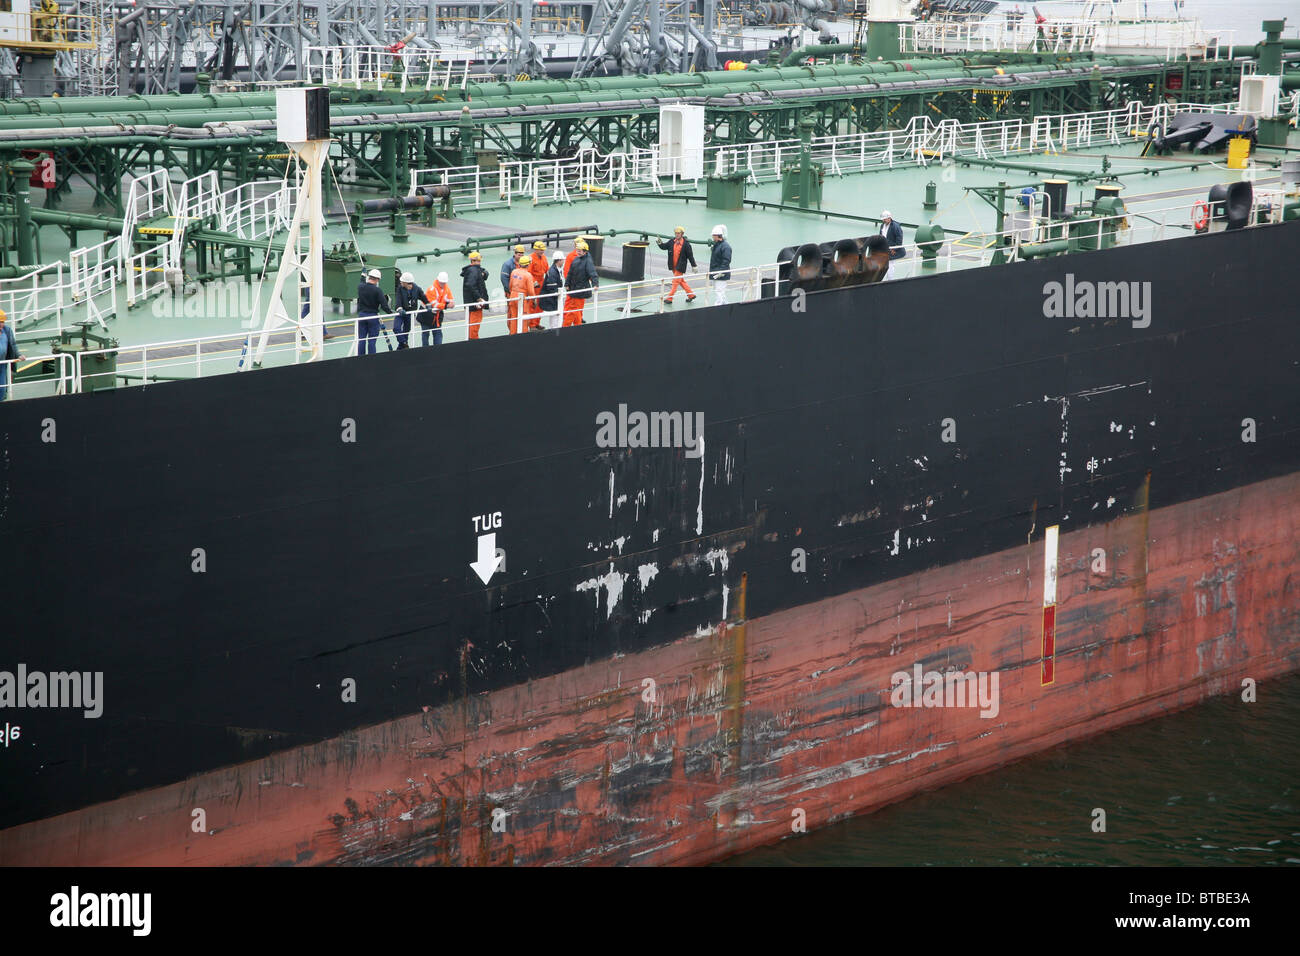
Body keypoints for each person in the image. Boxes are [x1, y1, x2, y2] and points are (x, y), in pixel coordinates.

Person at [657, 226, 697, 305]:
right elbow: (664, 247)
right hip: (673, 266)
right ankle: (691, 295)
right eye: (676, 233)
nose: (677, 235)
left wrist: (694, 265)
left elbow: (690, 256)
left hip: (680, 267)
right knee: (681, 281)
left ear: (682, 234)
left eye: (678, 233)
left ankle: (670, 298)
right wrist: (660, 243)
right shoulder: (672, 241)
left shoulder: (686, 245)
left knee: (675, 282)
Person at [563, 239, 598, 326]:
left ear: (585, 251)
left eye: (579, 251)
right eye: (577, 250)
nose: (577, 252)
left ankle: (565, 327)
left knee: (573, 310)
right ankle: (577, 325)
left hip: (580, 289)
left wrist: (595, 284)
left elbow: (593, 273)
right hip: (574, 288)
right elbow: (570, 272)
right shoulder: (576, 259)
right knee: (576, 310)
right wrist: (567, 284)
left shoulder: (587, 261)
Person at [355, 268, 389, 356]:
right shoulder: (378, 290)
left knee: (361, 339)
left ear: (369, 277)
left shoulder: (361, 287)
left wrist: (363, 274)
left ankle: (360, 358)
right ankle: (371, 358)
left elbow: (361, 281)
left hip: (362, 316)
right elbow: (384, 306)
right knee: (372, 340)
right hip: (373, 317)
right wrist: (391, 312)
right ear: (377, 279)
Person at [461, 251, 490, 340]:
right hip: (475, 303)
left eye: (479, 261)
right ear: (473, 261)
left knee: (471, 323)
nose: (479, 263)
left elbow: (483, 274)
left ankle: (471, 338)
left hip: (471, 302)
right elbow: (470, 285)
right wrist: (478, 298)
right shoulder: (474, 271)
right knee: (475, 323)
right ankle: (473, 340)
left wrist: (484, 273)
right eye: (477, 261)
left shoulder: (472, 270)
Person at [392, 271, 423, 349]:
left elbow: (423, 297)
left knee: (406, 331)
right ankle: (404, 343)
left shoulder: (416, 289)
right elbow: (398, 299)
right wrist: (399, 309)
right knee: (396, 328)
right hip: (401, 313)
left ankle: (402, 348)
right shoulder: (400, 288)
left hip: (410, 313)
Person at [423, 272, 454, 346]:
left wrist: (451, 303)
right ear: (438, 280)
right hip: (426, 315)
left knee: (438, 333)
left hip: (437, 316)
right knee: (425, 334)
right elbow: (434, 304)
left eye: (444, 282)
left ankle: (438, 350)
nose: (443, 284)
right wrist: (446, 306)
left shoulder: (446, 289)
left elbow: (450, 299)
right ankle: (424, 351)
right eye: (441, 282)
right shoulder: (432, 289)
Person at [507, 254, 535, 334]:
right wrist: (534, 300)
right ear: (528, 264)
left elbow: (510, 286)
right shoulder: (528, 275)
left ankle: (513, 334)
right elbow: (531, 291)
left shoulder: (514, 272)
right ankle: (523, 335)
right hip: (522, 298)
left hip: (513, 295)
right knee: (524, 318)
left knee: (514, 317)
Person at [0, 309, 24, 402]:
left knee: (2, 388)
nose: (1, 324)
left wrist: (19, 355)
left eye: (2, 322)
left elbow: (13, 345)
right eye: (0, 322)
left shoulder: (7, 331)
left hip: (3, 364)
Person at [527, 240, 549, 330]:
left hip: (542, 283)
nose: (542, 251)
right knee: (533, 305)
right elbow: (528, 273)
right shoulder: (530, 259)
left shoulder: (544, 258)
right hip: (534, 285)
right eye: (541, 250)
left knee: (540, 305)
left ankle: (536, 323)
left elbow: (547, 269)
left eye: (543, 250)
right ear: (535, 249)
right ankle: (531, 325)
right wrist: (534, 281)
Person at [540, 250, 565, 330]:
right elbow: (552, 288)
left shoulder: (557, 270)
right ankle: (554, 331)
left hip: (554, 299)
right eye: (563, 260)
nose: (564, 262)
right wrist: (558, 297)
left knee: (555, 317)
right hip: (553, 299)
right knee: (555, 318)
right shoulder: (553, 272)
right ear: (559, 260)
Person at [708, 224, 732, 304]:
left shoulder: (725, 247)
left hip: (721, 274)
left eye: (713, 235)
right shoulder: (718, 245)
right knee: (719, 291)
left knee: (719, 291)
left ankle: (718, 307)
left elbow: (726, 260)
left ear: (717, 236)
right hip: (716, 273)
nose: (712, 237)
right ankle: (725, 305)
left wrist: (721, 272)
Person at [881, 210, 905, 280]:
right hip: (885, 248)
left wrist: (895, 249)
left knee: (891, 264)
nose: (883, 220)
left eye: (884, 219)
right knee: (886, 264)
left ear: (889, 218)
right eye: (883, 219)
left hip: (892, 250)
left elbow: (899, 238)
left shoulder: (895, 226)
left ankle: (890, 280)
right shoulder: (882, 225)